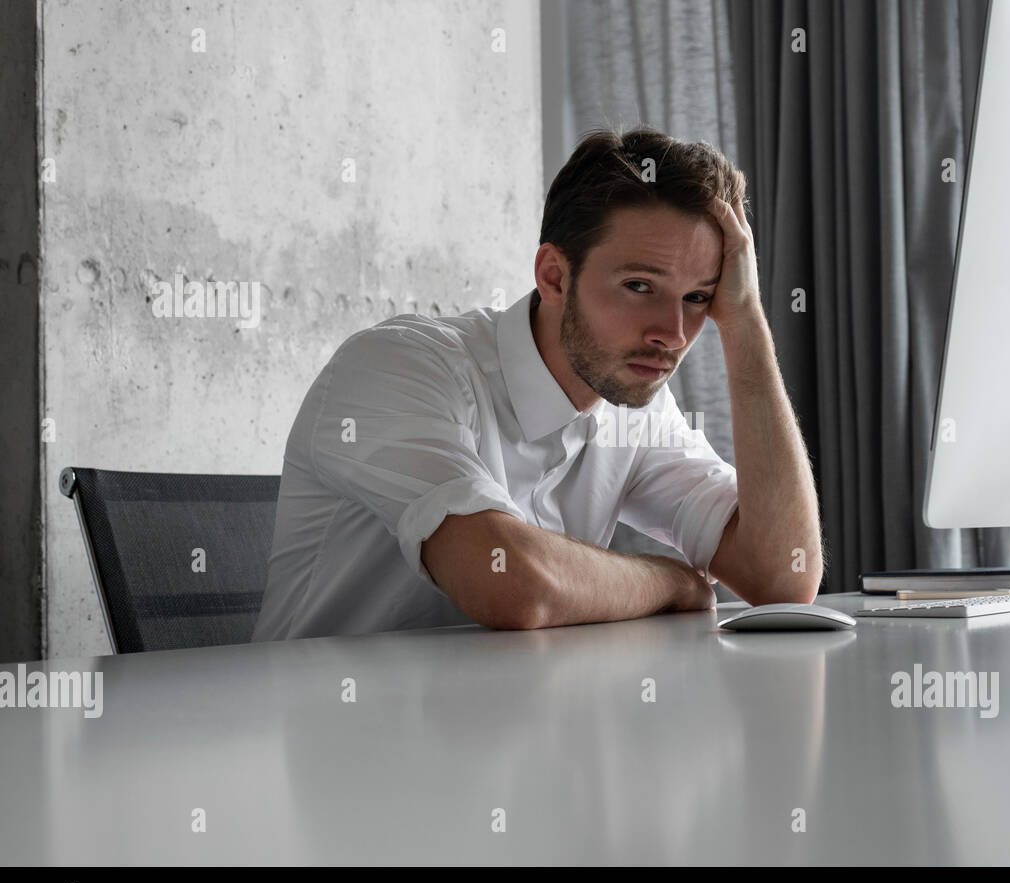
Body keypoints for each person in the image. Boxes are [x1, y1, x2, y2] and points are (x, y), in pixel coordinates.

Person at [252, 126, 823, 638]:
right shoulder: (398, 366)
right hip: (337, 737)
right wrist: (673, 583)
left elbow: (783, 577)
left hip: (504, 736)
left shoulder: (635, 407)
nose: (673, 334)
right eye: (640, 286)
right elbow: (513, 585)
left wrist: (745, 323)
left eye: (698, 297)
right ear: (554, 275)